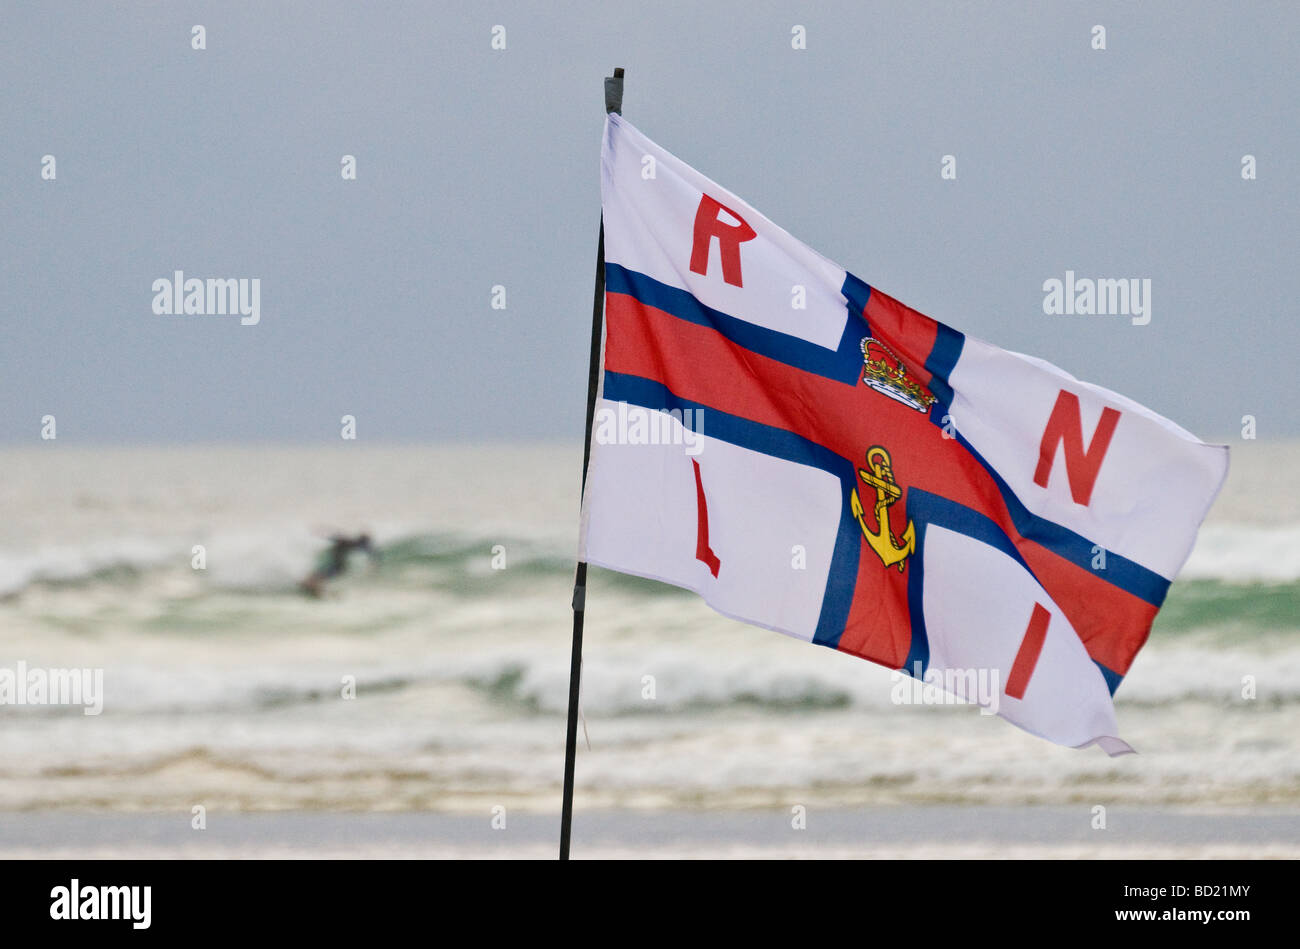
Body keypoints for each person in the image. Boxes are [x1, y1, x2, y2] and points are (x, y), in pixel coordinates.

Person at [299, 532, 378, 598]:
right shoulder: (348, 542)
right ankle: (313, 586)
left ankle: (314, 587)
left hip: (337, 565)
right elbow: (336, 538)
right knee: (323, 575)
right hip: (336, 564)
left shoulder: (350, 543)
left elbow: (368, 550)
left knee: (323, 575)